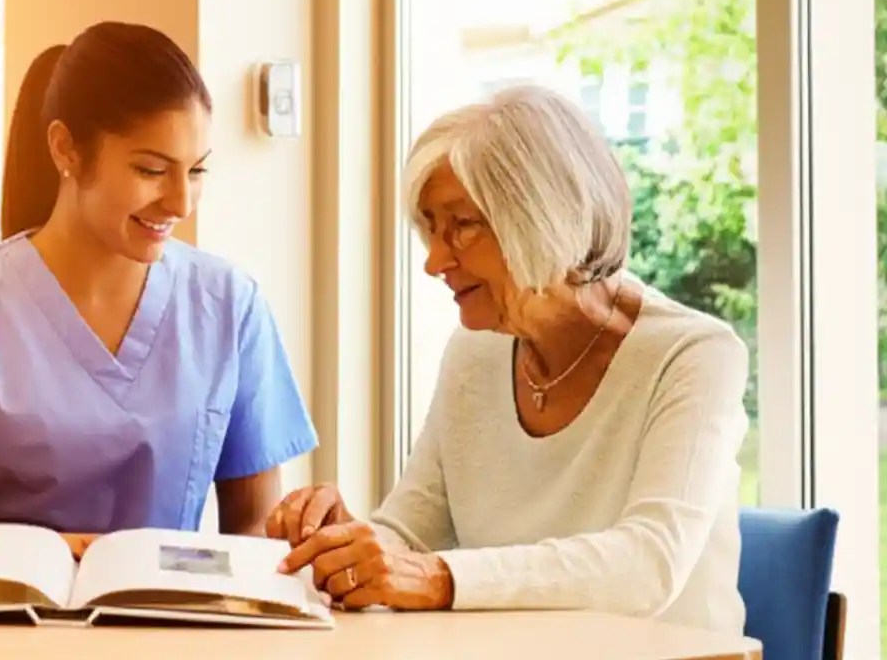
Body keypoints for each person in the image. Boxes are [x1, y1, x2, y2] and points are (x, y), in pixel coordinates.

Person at [268, 85, 747, 634]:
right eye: (430, 228)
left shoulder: (695, 355)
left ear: (543, 214)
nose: (435, 261)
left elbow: (649, 565)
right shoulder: (475, 350)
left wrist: (438, 579)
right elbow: (413, 534)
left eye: (461, 226)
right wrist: (346, 546)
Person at [0, 21, 318, 558]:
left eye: (196, 171)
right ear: (66, 149)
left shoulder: (230, 306)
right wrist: (55, 556)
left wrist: (309, 533)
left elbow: (256, 534)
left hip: (173, 636)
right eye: (152, 169)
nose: (180, 203)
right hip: (3, 634)